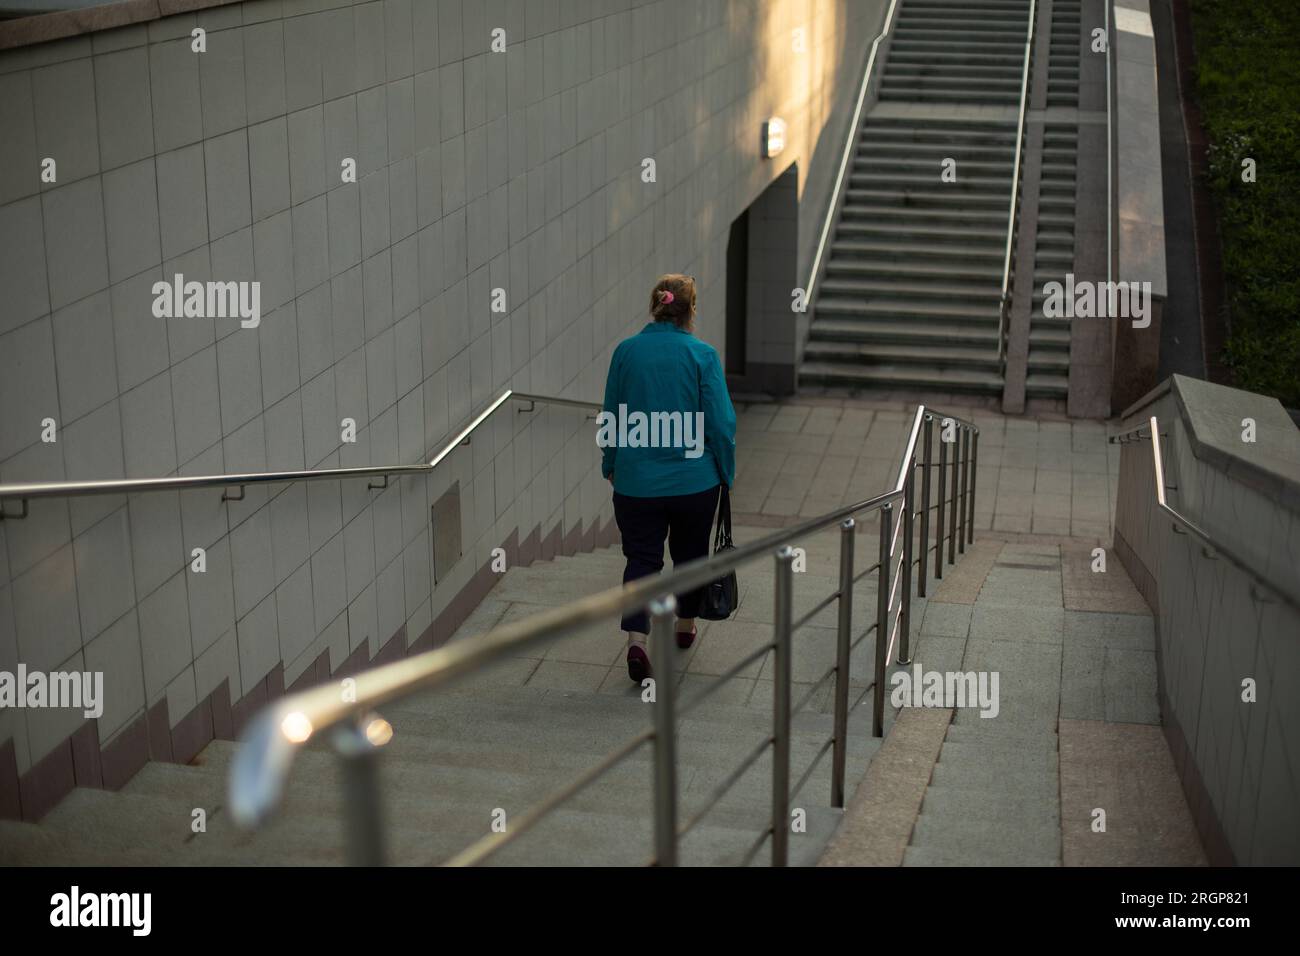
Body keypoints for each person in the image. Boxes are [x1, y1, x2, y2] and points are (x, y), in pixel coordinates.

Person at [599, 274, 737, 683]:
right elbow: (721, 423)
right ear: (690, 311)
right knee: (691, 554)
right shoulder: (703, 355)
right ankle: (684, 625)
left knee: (641, 559)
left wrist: (611, 462)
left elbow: (612, 412)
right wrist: (725, 471)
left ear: (654, 306)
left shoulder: (626, 352)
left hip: (636, 482)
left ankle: (637, 642)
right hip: (695, 482)